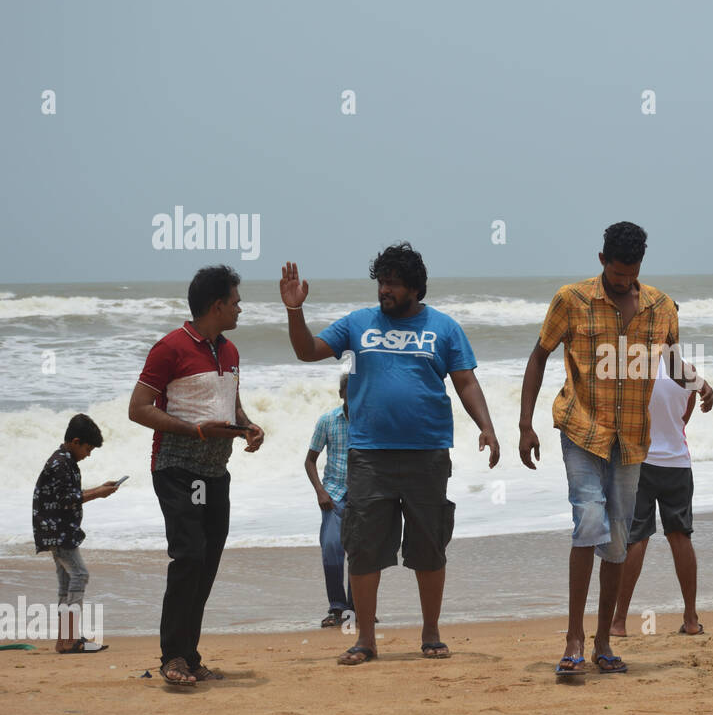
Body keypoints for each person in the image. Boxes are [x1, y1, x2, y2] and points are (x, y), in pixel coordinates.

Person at [280, 243, 500, 666]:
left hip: (427, 455)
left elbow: (466, 382)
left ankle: (431, 633)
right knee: (363, 548)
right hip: (370, 457)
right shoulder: (357, 323)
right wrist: (294, 311)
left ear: (415, 288)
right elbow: (307, 351)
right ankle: (365, 640)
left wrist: (486, 427)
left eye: (394, 284)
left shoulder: (444, 327)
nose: (385, 290)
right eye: (382, 282)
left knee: (430, 546)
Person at [518, 221, 713, 675]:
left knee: (618, 542)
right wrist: (525, 424)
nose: (623, 281)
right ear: (602, 259)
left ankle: (604, 641)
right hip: (582, 429)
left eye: (631, 274)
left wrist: (699, 383)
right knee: (588, 521)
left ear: (640, 265)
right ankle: (573, 639)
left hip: (631, 439)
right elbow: (539, 355)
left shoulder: (661, 307)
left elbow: (670, 360)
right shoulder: (572, 299)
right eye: (616, 272)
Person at [128, 266, 265, 687]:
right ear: (216, 305)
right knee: (188, 557)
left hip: (214, 473)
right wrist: (195, 430)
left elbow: (230, 405)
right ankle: (173, 657)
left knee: (205, 564)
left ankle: (189, 655)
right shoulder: (169, 348)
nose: (240, 308)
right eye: (236, 301)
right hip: (176, 469)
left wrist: (248, 426)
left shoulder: (231, 351)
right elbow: (138, 409)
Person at [611, 346, 703, 638]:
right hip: (677, 463)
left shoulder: (635, 367)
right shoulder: (688, 372)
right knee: (681, 536)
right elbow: (684, 418)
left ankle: (619, 622)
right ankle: (690, 619)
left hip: (641, 461)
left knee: (637, 538)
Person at [32, 414, 119, 653]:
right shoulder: (61, 463)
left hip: (57, 530)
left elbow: (69, 496)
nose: (89, 454)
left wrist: (100, 489)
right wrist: (99, 492)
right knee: (80, 575)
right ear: (76, 441)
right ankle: (69, 639)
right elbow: (68, 499)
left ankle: (65, 640)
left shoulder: (65, 461)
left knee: (66, 584)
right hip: (58, 532)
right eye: (88, 448)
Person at [306, 373, 353, 627]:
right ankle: (337, 608)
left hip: (364, 496)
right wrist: (320, 491)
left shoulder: (371, 420)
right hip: (333, 495)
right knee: (332, 549)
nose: (355, 394)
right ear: (341, 393)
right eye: (350, 390)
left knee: (360, 554)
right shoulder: (327, 420)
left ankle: (357, 609)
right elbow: (310, 460)